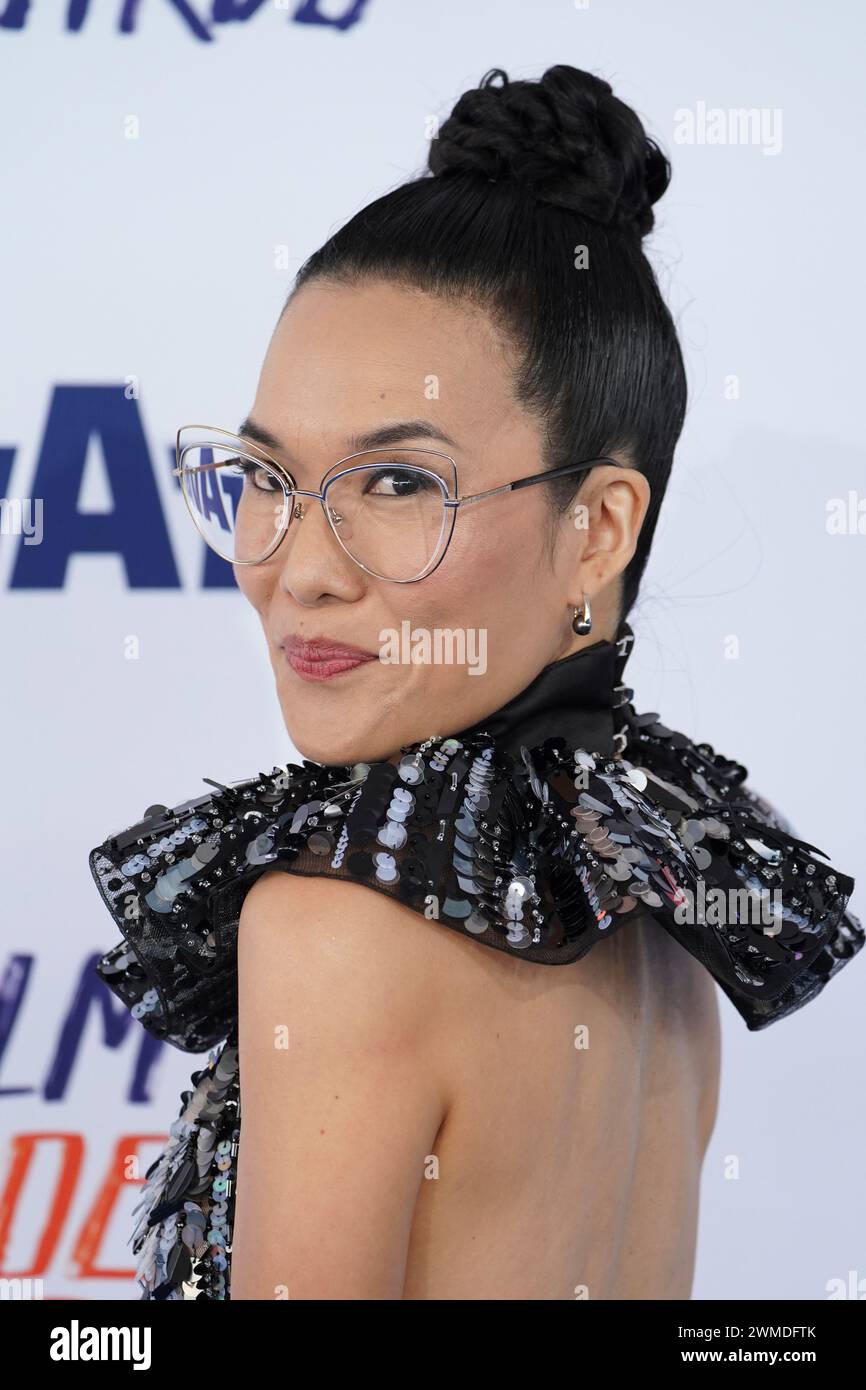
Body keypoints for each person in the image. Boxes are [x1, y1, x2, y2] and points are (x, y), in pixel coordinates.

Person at [90, 64, 862, 1301]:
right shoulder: (656, 934)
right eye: (268, 476)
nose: (300, 568)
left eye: (398, 484)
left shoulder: (337, 933)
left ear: (597, 529)